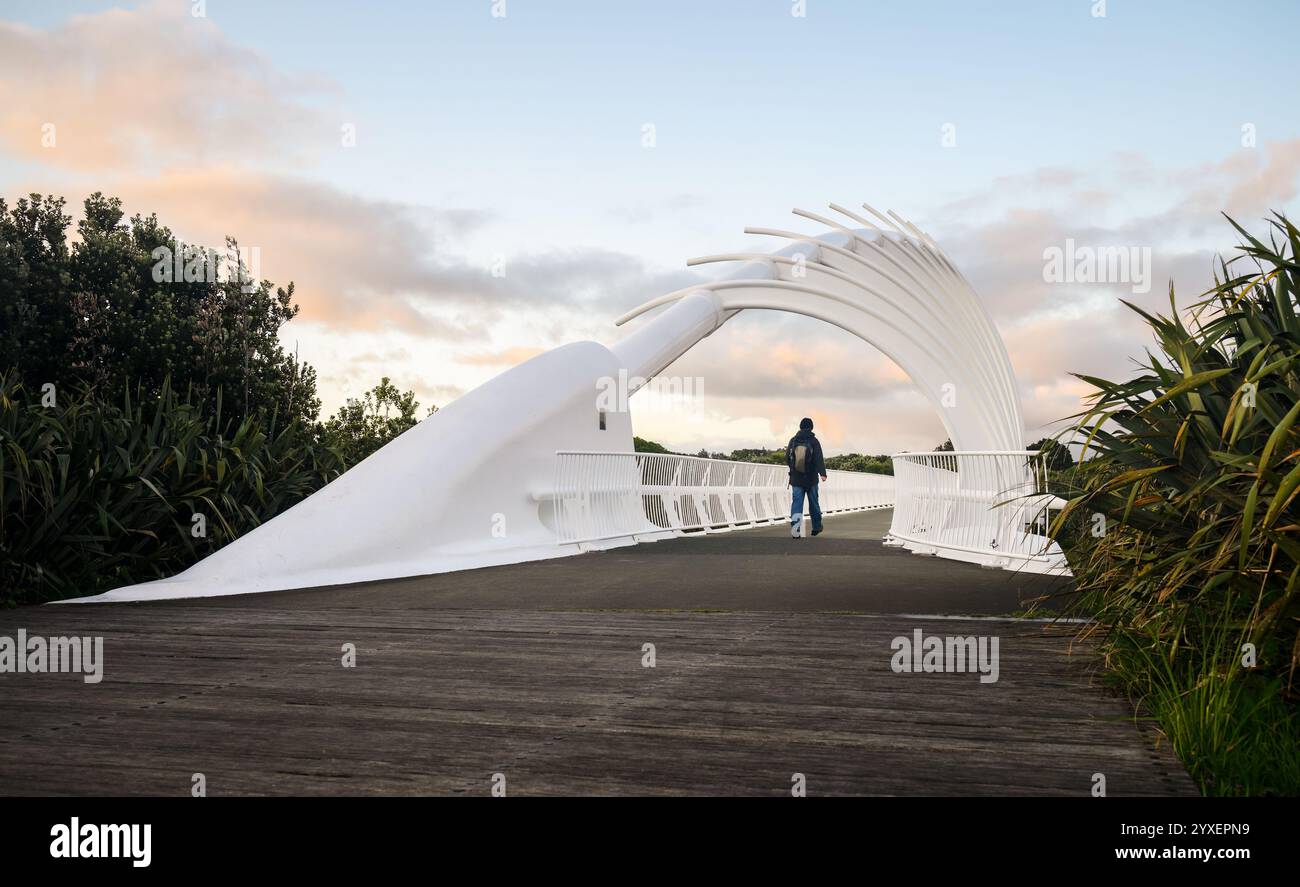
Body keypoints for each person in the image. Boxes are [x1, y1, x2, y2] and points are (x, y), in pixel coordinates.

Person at [785, 417, 826, 538]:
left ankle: (796, 531)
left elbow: (787, 457)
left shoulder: (793, 440)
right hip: (811, 479)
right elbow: (819, 458)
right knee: (813, 503)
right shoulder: (814, 441)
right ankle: (816, 527)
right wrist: (822, 473)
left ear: (800, 426)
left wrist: (794, 469)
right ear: (811, 427)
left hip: (796, 479)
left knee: (797, 503)